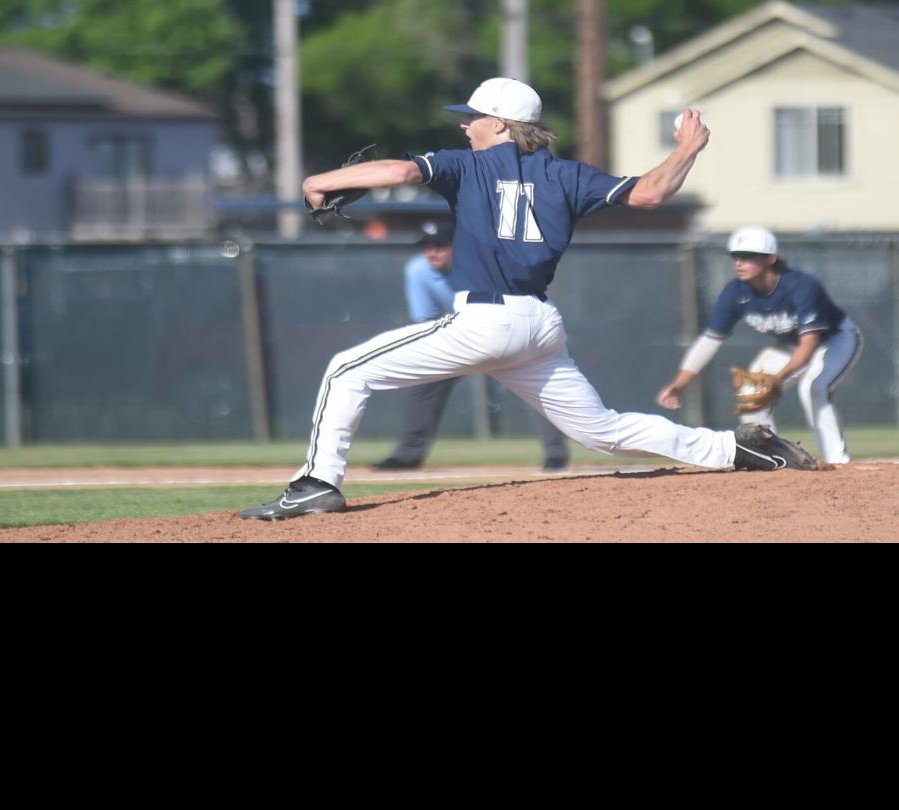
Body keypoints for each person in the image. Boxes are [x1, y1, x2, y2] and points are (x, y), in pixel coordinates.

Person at [239, 77, 817, 521]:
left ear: (497, 122)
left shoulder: (464, 165)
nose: (464, 126)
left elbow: (393, 169)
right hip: (538, 324)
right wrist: (689, 149)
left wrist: (319, 182)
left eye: (471, 118)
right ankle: (739, 449)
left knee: (346, 370)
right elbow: (650, 191)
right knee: (602, 432)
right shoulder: (566, 175)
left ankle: (315, 484)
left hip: (486, 318)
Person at [371, 220, 571, 473]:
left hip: (505, 329)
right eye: (426, 246)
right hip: (458, 332)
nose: (432, 251)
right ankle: (407, 455)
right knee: (423, 382)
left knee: (536, 385)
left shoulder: (484, 264)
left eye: (440, 245)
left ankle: (556, 454)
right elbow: (426, 320)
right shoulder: (418, 271)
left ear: (458, 246)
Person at [656, 226, 863, 465]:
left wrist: (779, 378)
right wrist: (679, 384)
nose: (739, 262)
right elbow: (710, 341)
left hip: (835, 339)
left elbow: (809, 343)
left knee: (814, 388)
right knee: (751, 392)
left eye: (748, 256)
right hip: (790, 344)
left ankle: (838, 461)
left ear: (770, 259)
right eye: (736, 256)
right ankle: (770, 459)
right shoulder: (735, 292)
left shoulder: (801, 286)